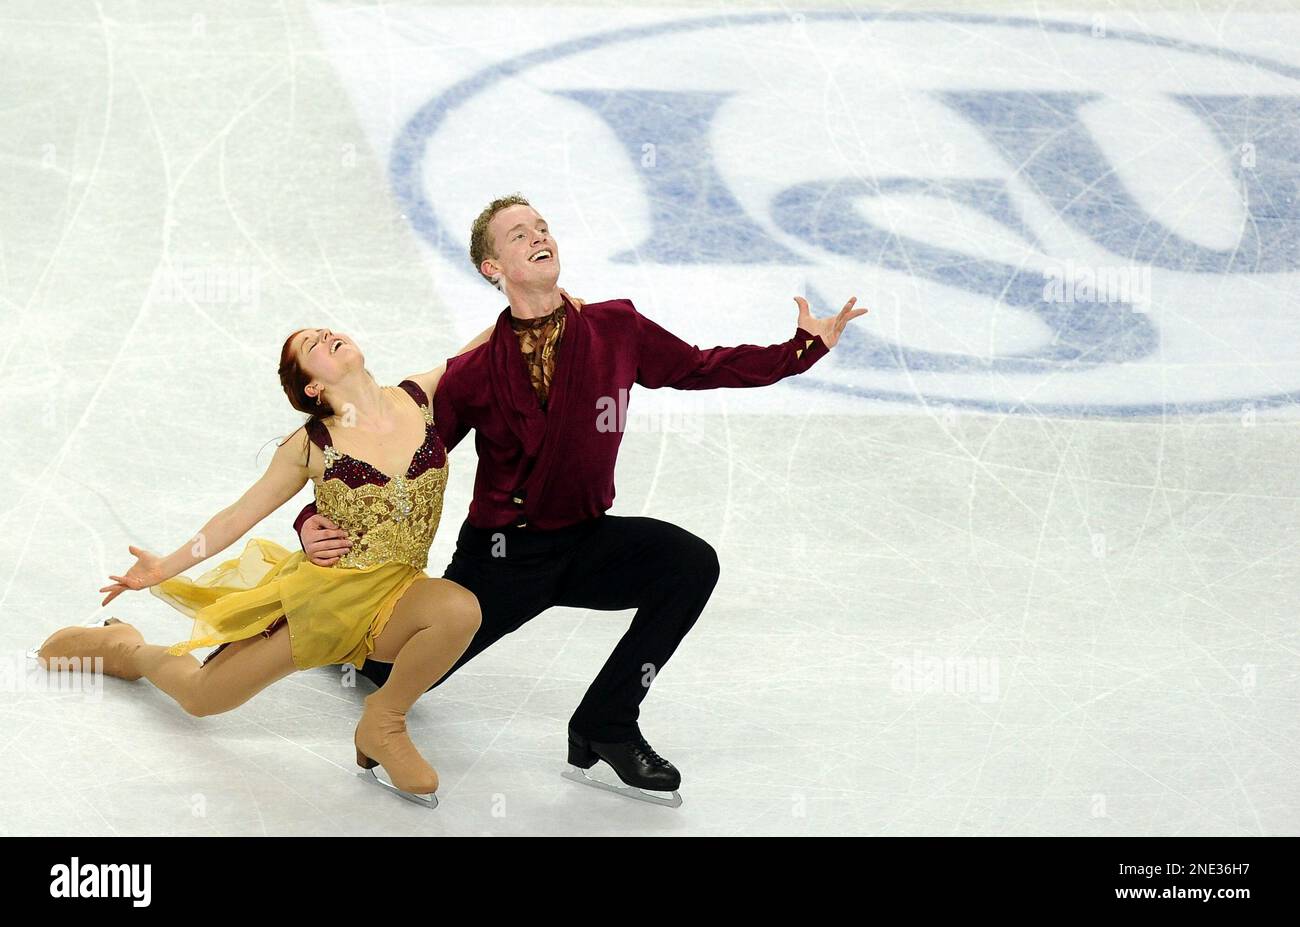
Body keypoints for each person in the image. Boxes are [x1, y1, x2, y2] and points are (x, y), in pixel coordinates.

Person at [293, 193, 867, 806]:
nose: (539, 236)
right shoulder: (474, 373)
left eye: (542, 226)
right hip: (501, 559)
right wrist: (311, 517)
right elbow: (404, 461)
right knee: (391, 671)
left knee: (689, 563)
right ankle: (363, 653)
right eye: (517, 235)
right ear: (493, 268)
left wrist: (798, 351)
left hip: (588, 540)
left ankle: (606, 723)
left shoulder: (615, 328)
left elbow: (699, 366)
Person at [32, 309, 589, 806]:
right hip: (320, 604)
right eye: (313, 345)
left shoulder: (418, 396)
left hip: (395, 596)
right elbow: (235, 517)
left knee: (459, 609)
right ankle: (125, 647)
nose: (327, 335)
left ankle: (384, 721)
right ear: (314, 386)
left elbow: (484, 346)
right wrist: (163, 569)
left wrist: (541, 307)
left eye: (326, 330)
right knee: (203, 699)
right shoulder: (310, 445)